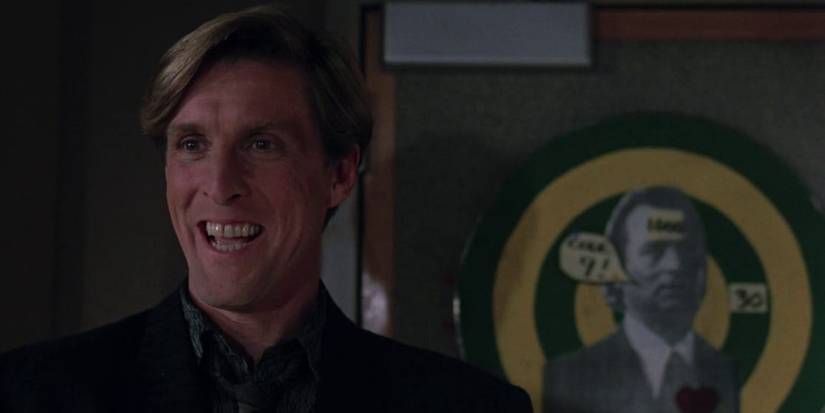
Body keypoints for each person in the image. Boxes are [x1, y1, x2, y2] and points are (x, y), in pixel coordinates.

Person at [0, 6, 531, 412]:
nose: (220, 185)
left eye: (261, 144)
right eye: (192, 145)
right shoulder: (32, 394)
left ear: (339, 175)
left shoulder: (468, 406)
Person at [544, 186, 739, 413]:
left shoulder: (732, 372)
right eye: (654, 251)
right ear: (616, 268)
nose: (675, 264)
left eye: (685, 249)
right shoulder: (567, 377)